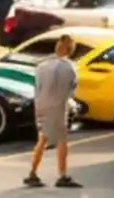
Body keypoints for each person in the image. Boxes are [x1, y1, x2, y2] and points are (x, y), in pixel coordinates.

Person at [24, 33, 80, 188]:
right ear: (70, 50)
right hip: (58, 106)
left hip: (42, 105)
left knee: (42, 139)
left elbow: (37, 87)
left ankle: (33, 172)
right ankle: (62, 174)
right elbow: (71, 90)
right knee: (61, 140)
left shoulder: (42, 66)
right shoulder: (70, 67)